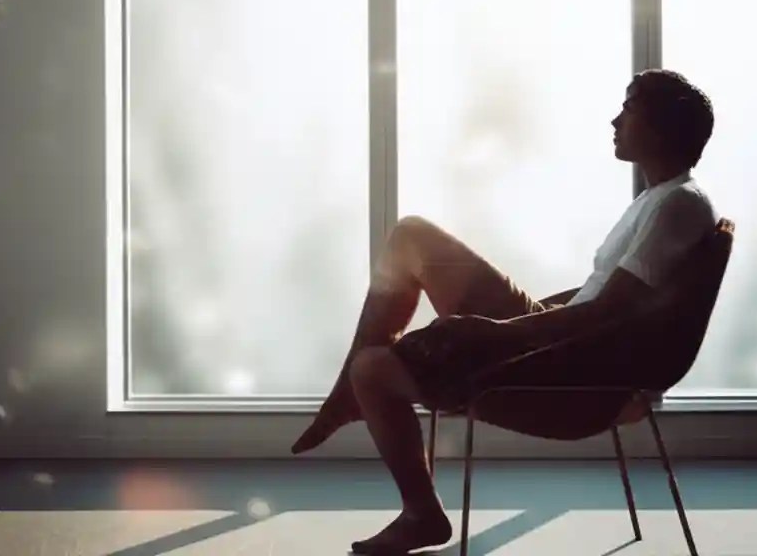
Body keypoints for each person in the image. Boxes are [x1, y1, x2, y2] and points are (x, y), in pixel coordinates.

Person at [291, 68, 718, 555]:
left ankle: (412, 499)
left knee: (373, 364)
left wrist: (499, 333)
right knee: (407, 244)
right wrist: (511, 324)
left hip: (568, 369)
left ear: (661, 126)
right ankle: (358, 401)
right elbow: (604, 298)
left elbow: (605, 311)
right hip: (566, 349)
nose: (615, 119)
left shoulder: (676, 206)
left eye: (630, 107)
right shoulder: (666, 199)